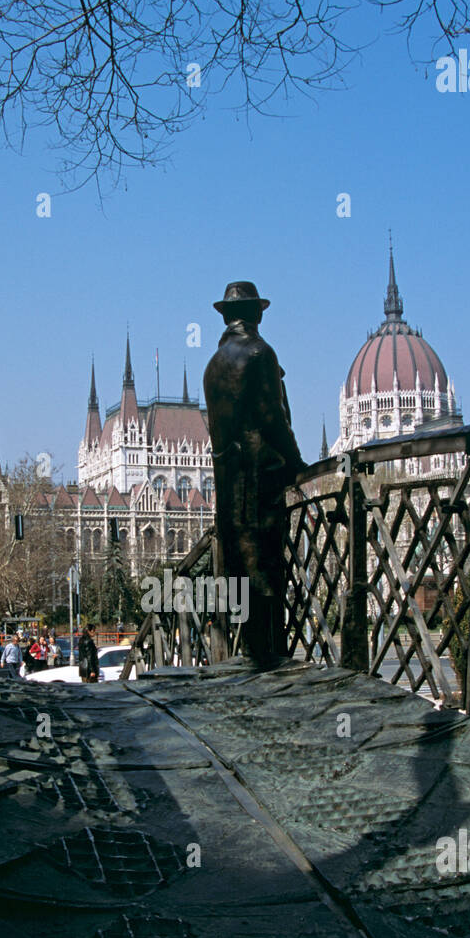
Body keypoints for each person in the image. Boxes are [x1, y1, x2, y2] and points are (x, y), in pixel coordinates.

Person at [203, 280, 306, 666]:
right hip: (260, 479)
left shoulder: (213, 366)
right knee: (266, 570)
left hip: (228, 490)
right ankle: (271, 662)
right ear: (257, 313)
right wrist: (298, 465)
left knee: (243, 576)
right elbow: (273, 421)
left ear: (228, 317)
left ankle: (252, 657)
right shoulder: (260, 353)